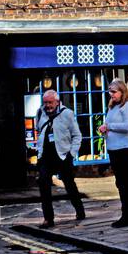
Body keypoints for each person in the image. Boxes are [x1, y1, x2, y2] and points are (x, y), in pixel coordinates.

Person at [34, 90, 85, 227]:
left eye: (50, 102)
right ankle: (48, 219)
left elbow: (77, 136)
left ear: (57, 101)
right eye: (45, 102)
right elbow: (38, 129)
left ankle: (80, 210)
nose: (48, 105)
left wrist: (71, 154)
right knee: (44, 185)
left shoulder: (67, 113)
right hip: (45, 156)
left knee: (69, 185)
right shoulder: (40, 112)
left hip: (62, 155)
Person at [99, 79, 128, 228]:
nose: (111, 94)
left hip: (126, 148)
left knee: (126, 182)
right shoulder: (112, 107)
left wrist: (109, 126)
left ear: (122, 92)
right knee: (120, 182)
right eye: (110, 91)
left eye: (114, 91)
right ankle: (126, 214)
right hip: (114, 148)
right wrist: (104, 129)